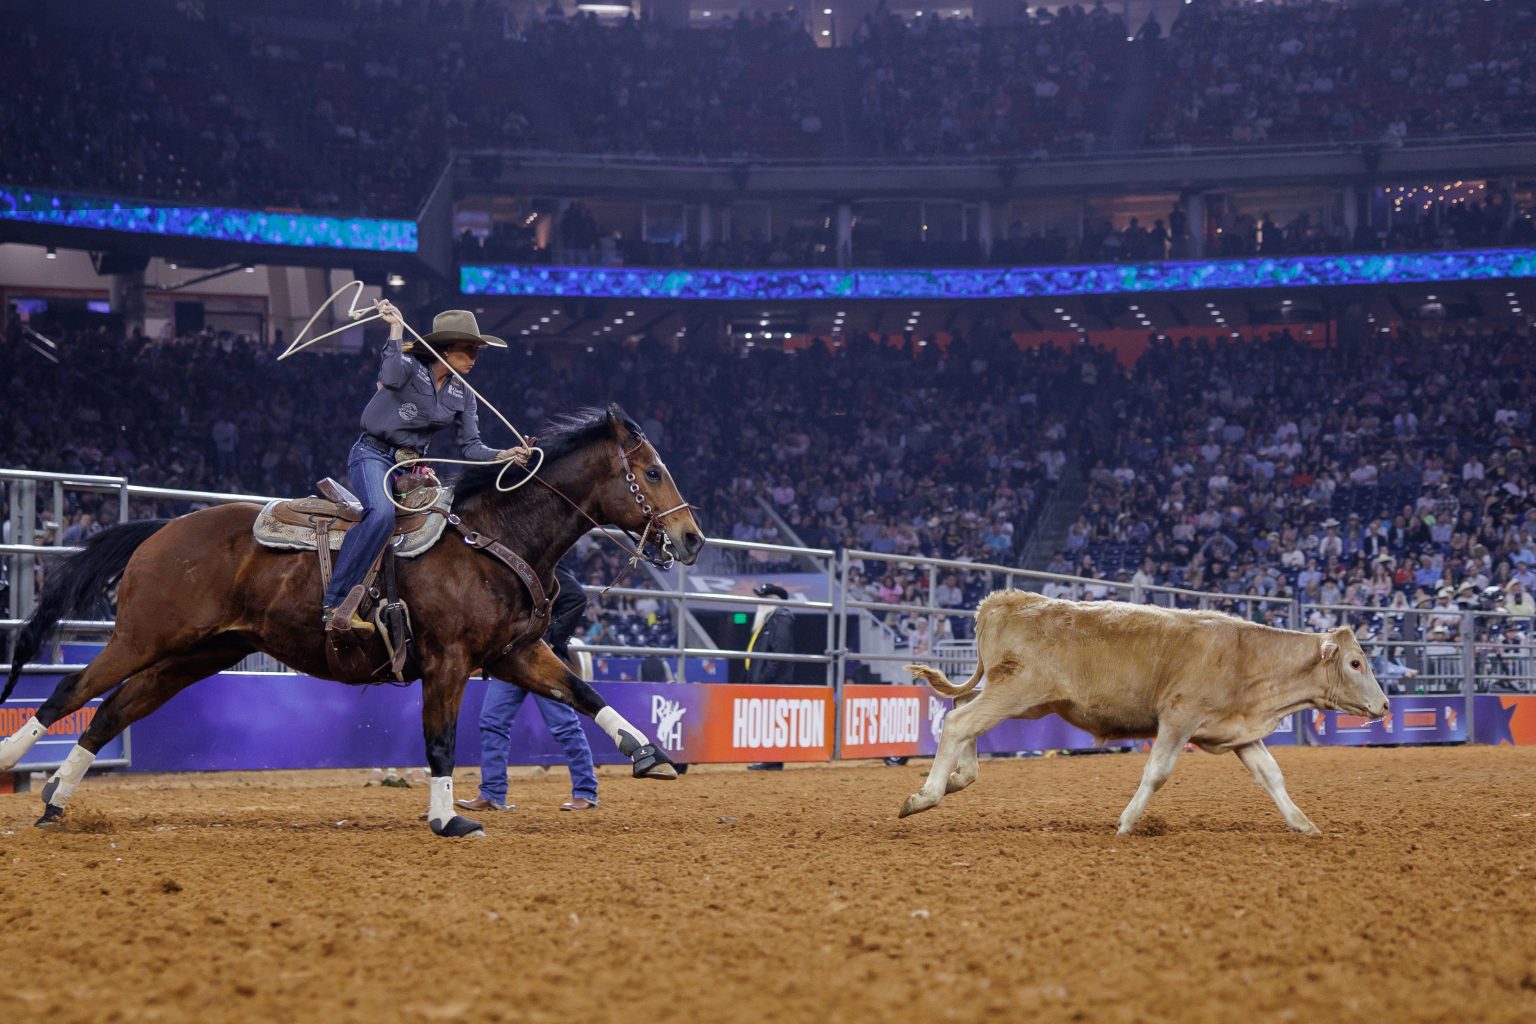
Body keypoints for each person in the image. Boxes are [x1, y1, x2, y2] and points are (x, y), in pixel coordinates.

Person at [321, 303, 525, 636]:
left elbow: (472, 448)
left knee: (446, 523)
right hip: (372, 455)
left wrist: (505, 455)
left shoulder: (464, 395)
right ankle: (335, 602)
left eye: (477, 350)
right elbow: (388, 376)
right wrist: (396, 329)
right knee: (382, 515)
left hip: (410, 469)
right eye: (468, 349)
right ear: (445, 348)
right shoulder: (409, 368)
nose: (474, 357)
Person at [458, 556, 600, 812]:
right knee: (493, 722)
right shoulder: (518, 562)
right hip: (511, 657)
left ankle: (586, 791)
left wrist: (553, 642)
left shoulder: (540, 562)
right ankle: (492, 794)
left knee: (562, 725)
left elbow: (576, 597)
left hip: (537, 661)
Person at [744, 582, 796, 772]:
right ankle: (768, 758)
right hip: (765, 680)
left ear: (772, 600)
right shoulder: (770, 619)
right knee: (766, 720)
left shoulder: (780, 618)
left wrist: (764, 677)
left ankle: (771, 759)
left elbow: (778, 652)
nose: (760, 602)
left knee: (771, 720)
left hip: (773, 682)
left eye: (764, 598)